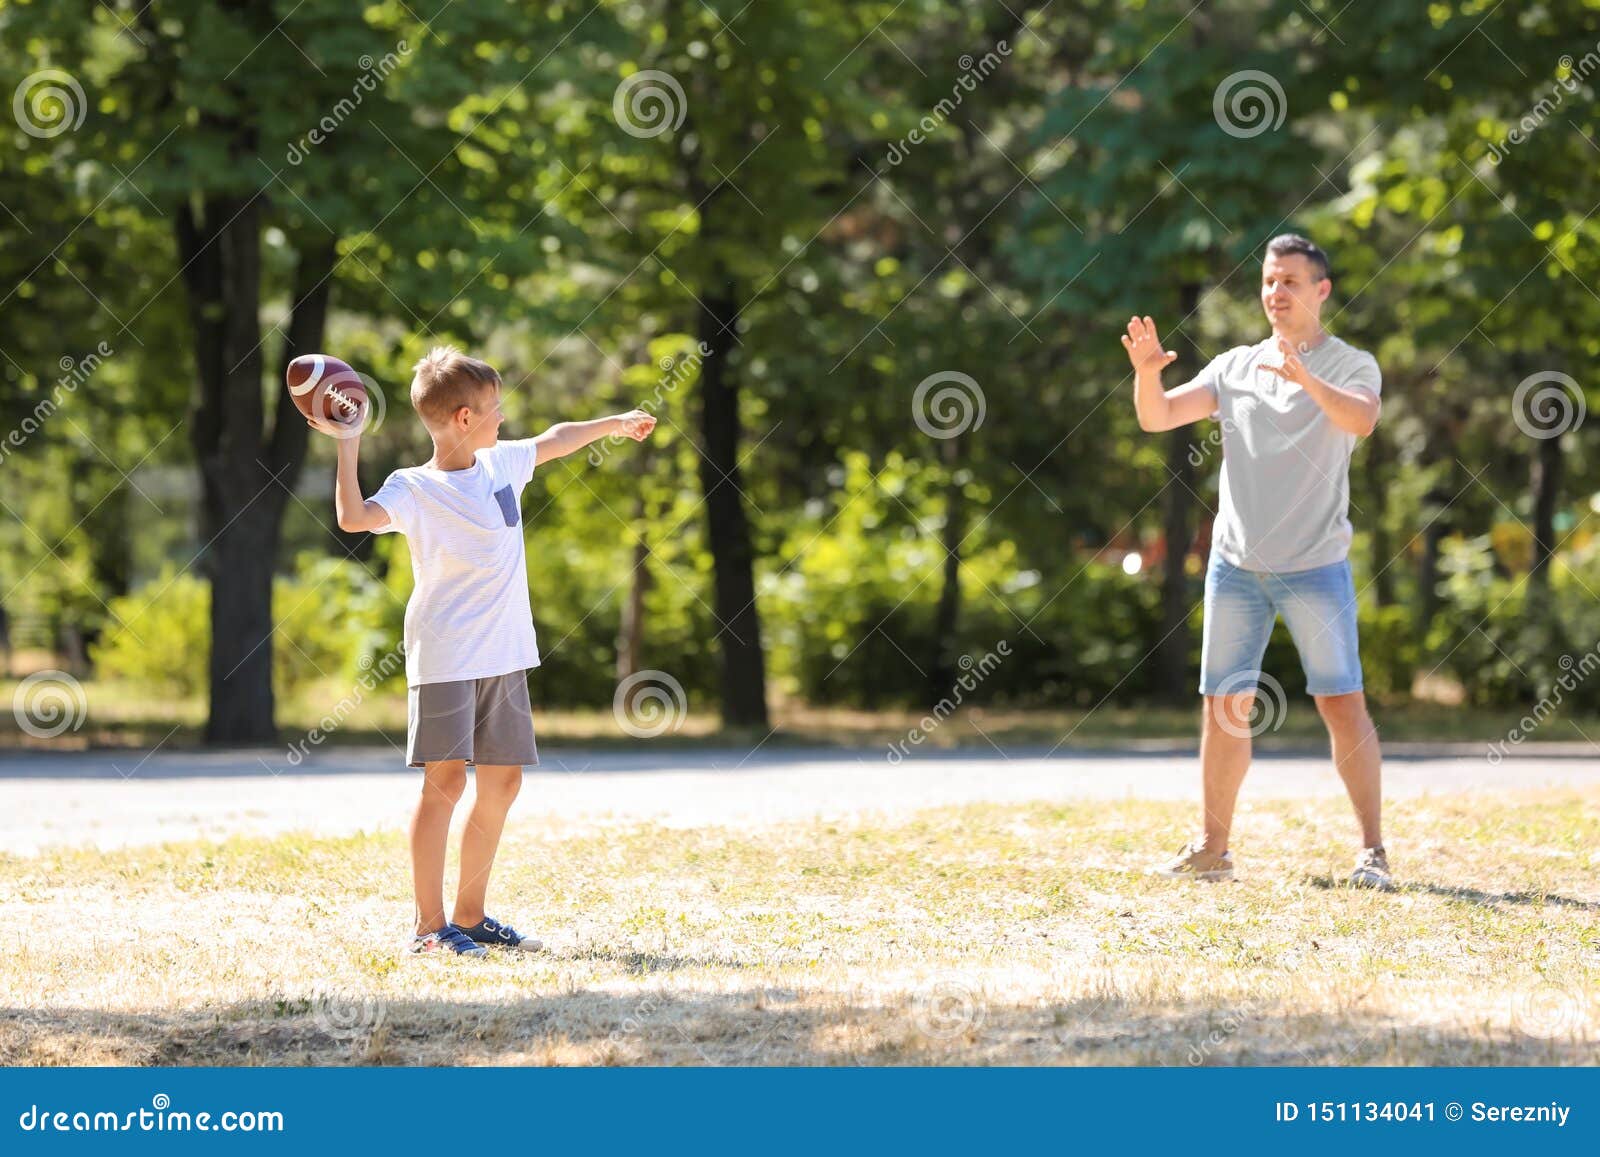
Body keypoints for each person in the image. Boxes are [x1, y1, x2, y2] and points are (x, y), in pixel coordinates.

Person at [316, 346, 656, 955]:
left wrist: (613, 424)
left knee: (501, 785)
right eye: (495, 408)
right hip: (447, 657)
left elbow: (557, 438)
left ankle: (470, 918)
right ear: (464, 418)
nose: (504, 417)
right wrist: (348, 442)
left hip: (505, 654)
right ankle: (429, 928)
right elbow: (353, 518)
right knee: (444, 785)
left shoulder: (502, 464)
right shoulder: (413, 488)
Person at [1122, 233, 1392, 889]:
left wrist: (1308, 377)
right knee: (1223, 706)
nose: (1277, 293)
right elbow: (1159, 418)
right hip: (1236, 567)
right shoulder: (1234, 366)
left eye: (1291, 281)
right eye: (1270, 281)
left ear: (1321, 290)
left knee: (1341, 704)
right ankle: (1214, 848)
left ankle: (1372, 851)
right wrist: (1147, 374)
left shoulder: (1352, 364)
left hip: (1316, 567)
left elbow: (1361, 420)